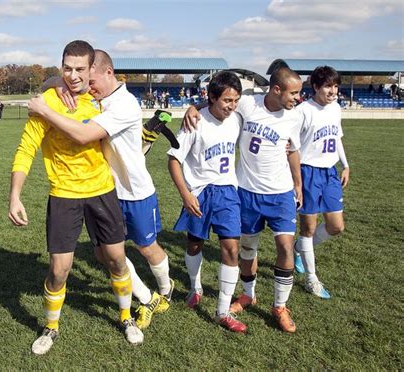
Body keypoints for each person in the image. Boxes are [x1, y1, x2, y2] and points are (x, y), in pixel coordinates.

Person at [9, 41, 142, 355]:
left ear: (91, 69)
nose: (72, 75)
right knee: (58, 269)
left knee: (117, 260)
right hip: (64, 195)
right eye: (66, 68)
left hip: (102, 192)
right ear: (61, 67)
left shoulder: (103, 101)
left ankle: (126, 317)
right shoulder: (48, 101)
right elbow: (25, 150)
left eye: (80, 69)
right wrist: (15, 195)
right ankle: (51, 326)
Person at [28, 49, 174, 331]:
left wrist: (45, 109)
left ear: (109, 73)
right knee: (104, 254)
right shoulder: (96, 98)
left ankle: (166, 290)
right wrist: (57, 85)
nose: (88, 87)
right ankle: (148, 298)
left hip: (134, 190)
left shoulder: (124, 104)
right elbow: (50, 82)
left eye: (91, 81)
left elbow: (83, 135)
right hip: (103, 190)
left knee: (146, 247)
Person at [184, 67, 303, 333]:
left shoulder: (296, 117)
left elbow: (293, 150)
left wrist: (298, 183)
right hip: (246, 191)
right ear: (276, 89)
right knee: (247, 249)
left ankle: (280, 306)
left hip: (281, 192)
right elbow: (221, 99)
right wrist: (194, 106)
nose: (297, 98)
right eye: (294, 92)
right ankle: (248, 294)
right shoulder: (247, 104)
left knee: (285, 246)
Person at [168, 71, 247, 333]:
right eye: (226, 100)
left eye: (235, 100)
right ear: (212, 97)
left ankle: (222, 311)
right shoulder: (195, 122)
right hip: (199, 192)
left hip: (227, 193)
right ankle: (195, 286)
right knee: (194, 244)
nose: (231, 106)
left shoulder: (237, 119)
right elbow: (174, 161)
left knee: (232, 249)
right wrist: (186, 195)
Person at [293, 67, 351, 299]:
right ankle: (311, 279)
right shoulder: (303, 111)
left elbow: (336, 138)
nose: (333, 91)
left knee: (336, 226)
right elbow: (292, 146)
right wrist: (296, 178)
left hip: (329, 173)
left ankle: (298, 249)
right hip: (308, 173)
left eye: (336, 86)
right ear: (316, 87)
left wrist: (345, 165)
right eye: (328, 86)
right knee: (308, 228)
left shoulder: (336, 108)